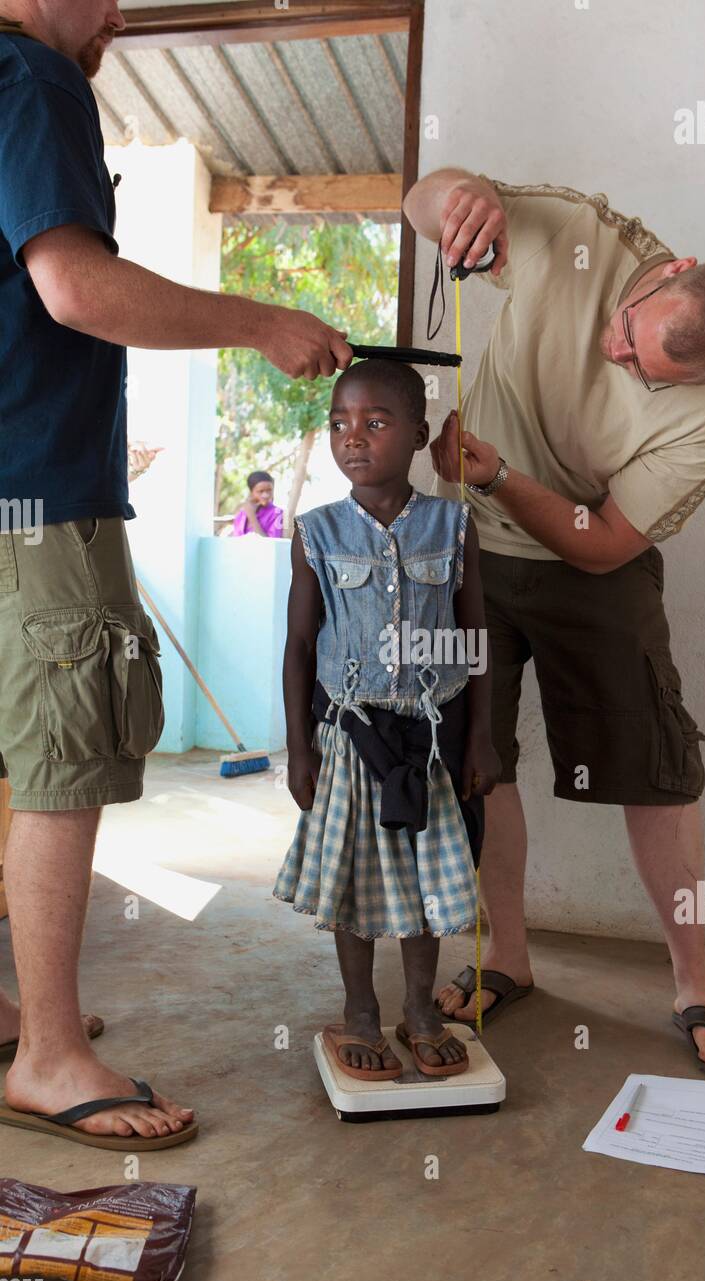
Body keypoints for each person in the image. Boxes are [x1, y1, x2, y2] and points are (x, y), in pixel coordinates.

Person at [0, 0, 352, 1149]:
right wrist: (257, 322)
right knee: (62, 760)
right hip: (40, 495)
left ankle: (12, 1019)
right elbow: (75, 288)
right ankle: (49, 1057)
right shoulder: (36, 81)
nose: (111, 13)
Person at [403, 168, 705, 1075]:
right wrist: (457, 200)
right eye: (628, 333)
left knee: (657, 770)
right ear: (667, 271)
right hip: (470, 551)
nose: (617, 355)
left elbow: (605, 542)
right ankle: (508, 957)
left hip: (586, 560)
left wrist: (495, 476)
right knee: (479, 758)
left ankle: (693, 977)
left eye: (646, 373)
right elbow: (424, 199)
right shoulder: (578, 234)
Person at [275, 359, 500, 1077]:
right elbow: (300, 647)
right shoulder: (316, 532)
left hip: (431, 738)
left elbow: (473, 640)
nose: (353, 439)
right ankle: (360, 1015)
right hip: (351, 738)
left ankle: (422, 1012)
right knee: (353, 883)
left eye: (375, 423)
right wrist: (299, 750)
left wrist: (481, 738)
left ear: (417, 435)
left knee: (427, 884)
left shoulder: (453, 523)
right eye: (340, 423)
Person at [231, 471, 284, 538]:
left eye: (269, 490)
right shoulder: (242, 513)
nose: (266, 495)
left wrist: (252, 517)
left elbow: (272, 544)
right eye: (260, 491)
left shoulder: (277, 513)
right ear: (251, 492)